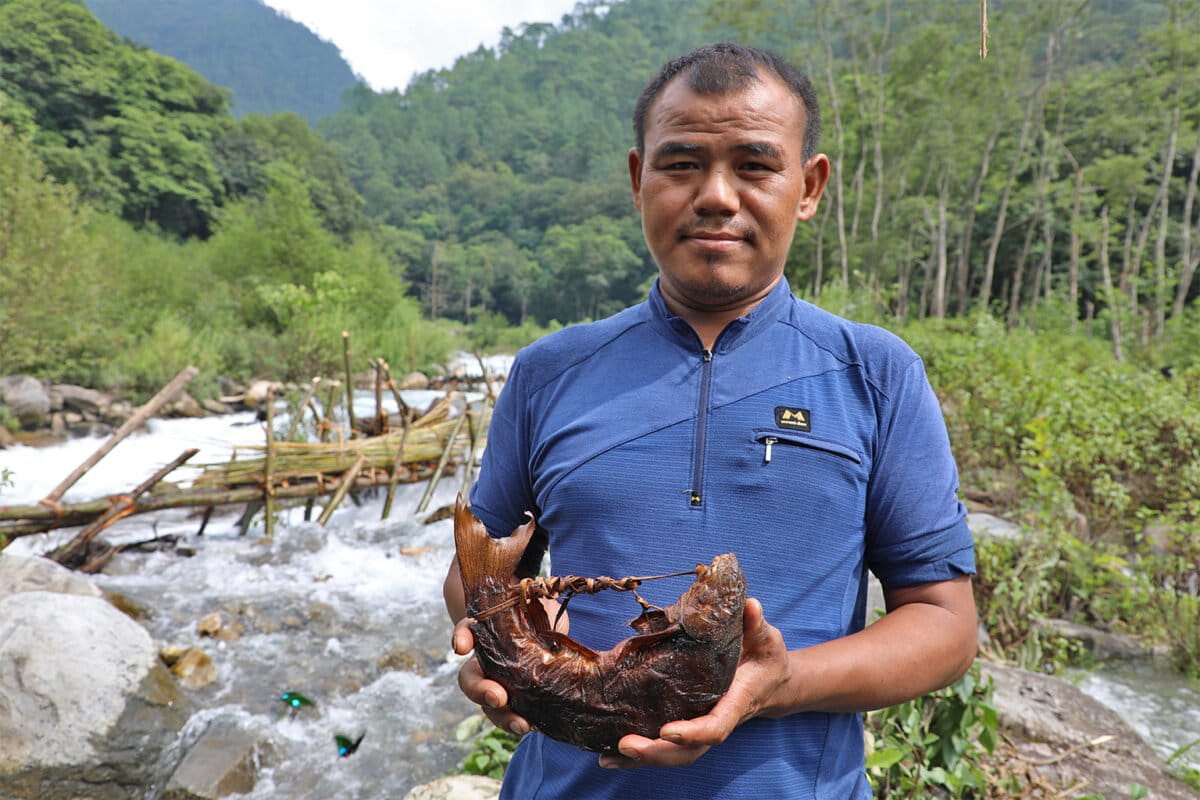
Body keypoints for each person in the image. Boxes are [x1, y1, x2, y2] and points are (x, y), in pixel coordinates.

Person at [443, 42, 977, 799]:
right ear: (638, 180)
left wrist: (780, 683)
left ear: (808, 185)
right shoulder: (549, 372)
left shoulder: (875, 374)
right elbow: (480, 574)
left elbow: (945, 626)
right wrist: (504, 640)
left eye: (756, 165)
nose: (717, 196)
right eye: (682, 163)